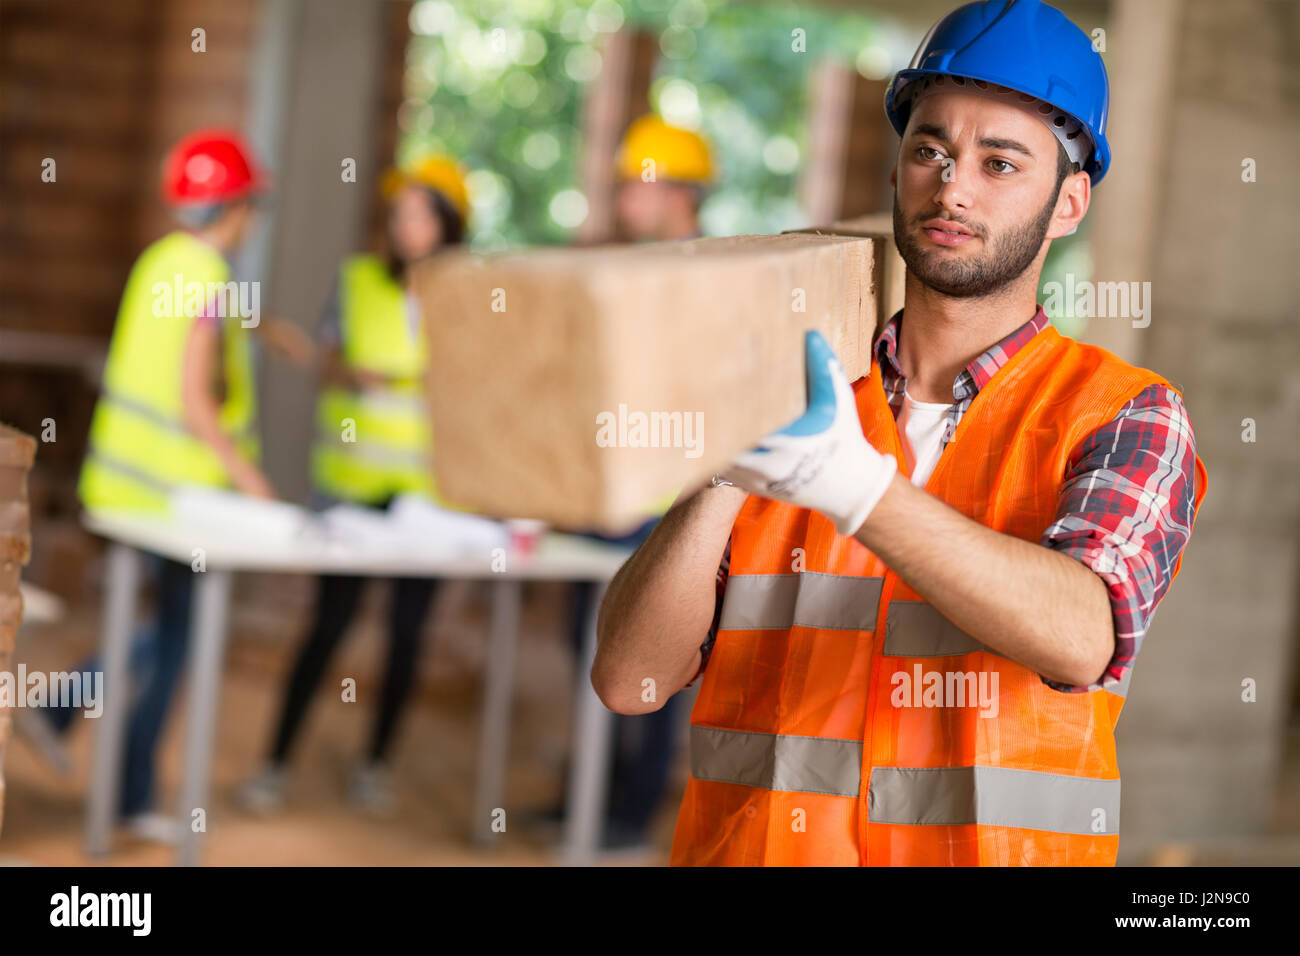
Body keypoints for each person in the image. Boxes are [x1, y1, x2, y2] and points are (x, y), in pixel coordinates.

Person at [594, 0, 1209, 866]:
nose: (953, 187)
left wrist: (852, 486)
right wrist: (723, 475)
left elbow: (1083, 635)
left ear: (1069, 203)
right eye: (930, 149)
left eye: (1001, 163)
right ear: (895, 172)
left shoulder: (1122, 414)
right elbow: (630, 681)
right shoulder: (798, 399)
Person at [25, 129, 287, 843]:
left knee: (158, 629)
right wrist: (251, 480)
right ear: (236, 207)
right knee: (179, 638)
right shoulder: (208, 277)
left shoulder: (163, 262)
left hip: (125, 483)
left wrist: (263, 328)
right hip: (179, 499)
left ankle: (68, 719)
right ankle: (124, 789)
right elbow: (194, 395)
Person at [236, 156, 469, 817]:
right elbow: (325, 360)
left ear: (450, 224)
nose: (406, 226)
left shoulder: (475, 295)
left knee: (407, 634)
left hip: (431, 497)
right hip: (354, 488)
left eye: (421, 214)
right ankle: (274, 765)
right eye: (400, 213)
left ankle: (375, 768)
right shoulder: (358, 280)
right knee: (327, 626)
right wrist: (352, 373)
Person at [544, 115, 714, 852]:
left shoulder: (709, 275)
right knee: (588, 646)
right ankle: (588, 794)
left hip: (661, 513)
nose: (622, 196)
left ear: (676, 192)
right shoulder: (638, 268)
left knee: (654, 663)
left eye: (633, 183)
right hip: (608, 504)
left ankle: (629, 815)